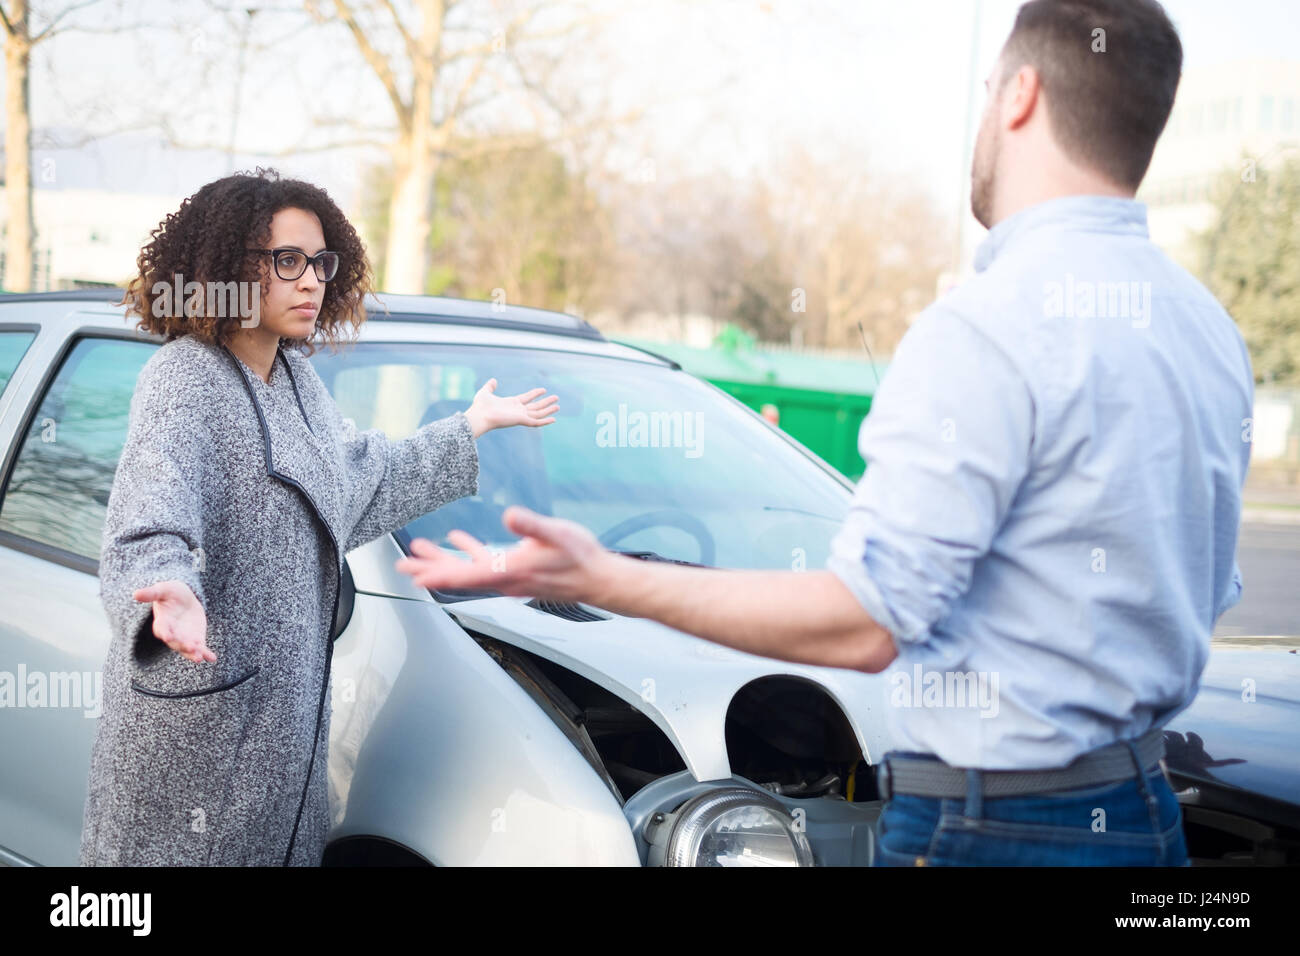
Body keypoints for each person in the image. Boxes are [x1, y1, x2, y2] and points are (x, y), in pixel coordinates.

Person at [393, 0, 1254, 866]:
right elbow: (1199, 591)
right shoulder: (1206, 331)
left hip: (992, 829)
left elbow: (866, 624)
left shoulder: (991, 324)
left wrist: (605, 576)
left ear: (1022, 95)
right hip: (1147, 816)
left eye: (989, 89)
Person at [79, 167, 558, 866]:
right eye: (287, 261)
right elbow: (153, 506)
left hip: (285, 744)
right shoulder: (184, 376)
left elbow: (359, 482)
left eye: (321, 263)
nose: (312, 281)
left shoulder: (299, 380)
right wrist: (167, 586)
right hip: (199, 736)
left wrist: (468, 427)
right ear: (227, 269)